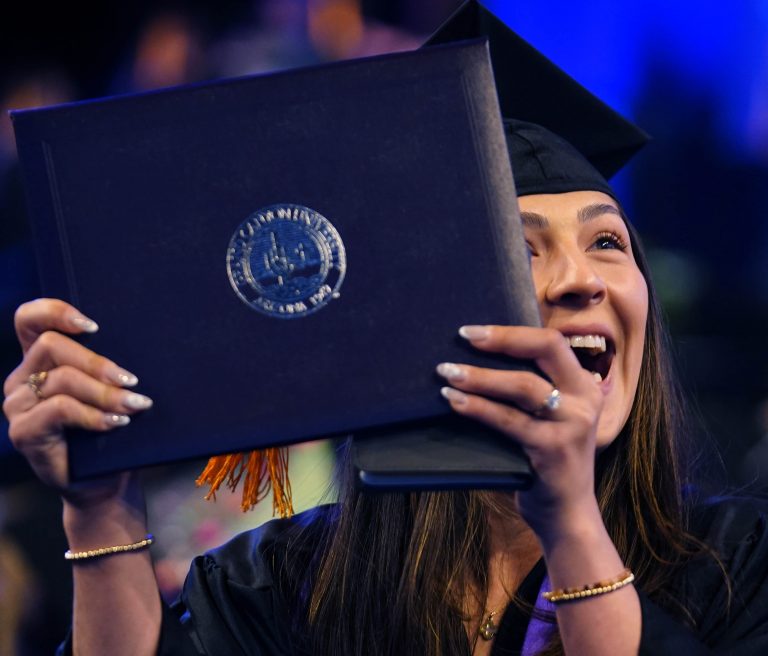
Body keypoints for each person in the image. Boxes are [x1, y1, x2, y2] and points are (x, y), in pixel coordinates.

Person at [4, 3, 768, 655]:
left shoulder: (739, 563)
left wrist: (570, 523)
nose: (580, 278)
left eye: (606, 241)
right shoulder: (280, 585)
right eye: (519, 246)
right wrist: (98, 510)